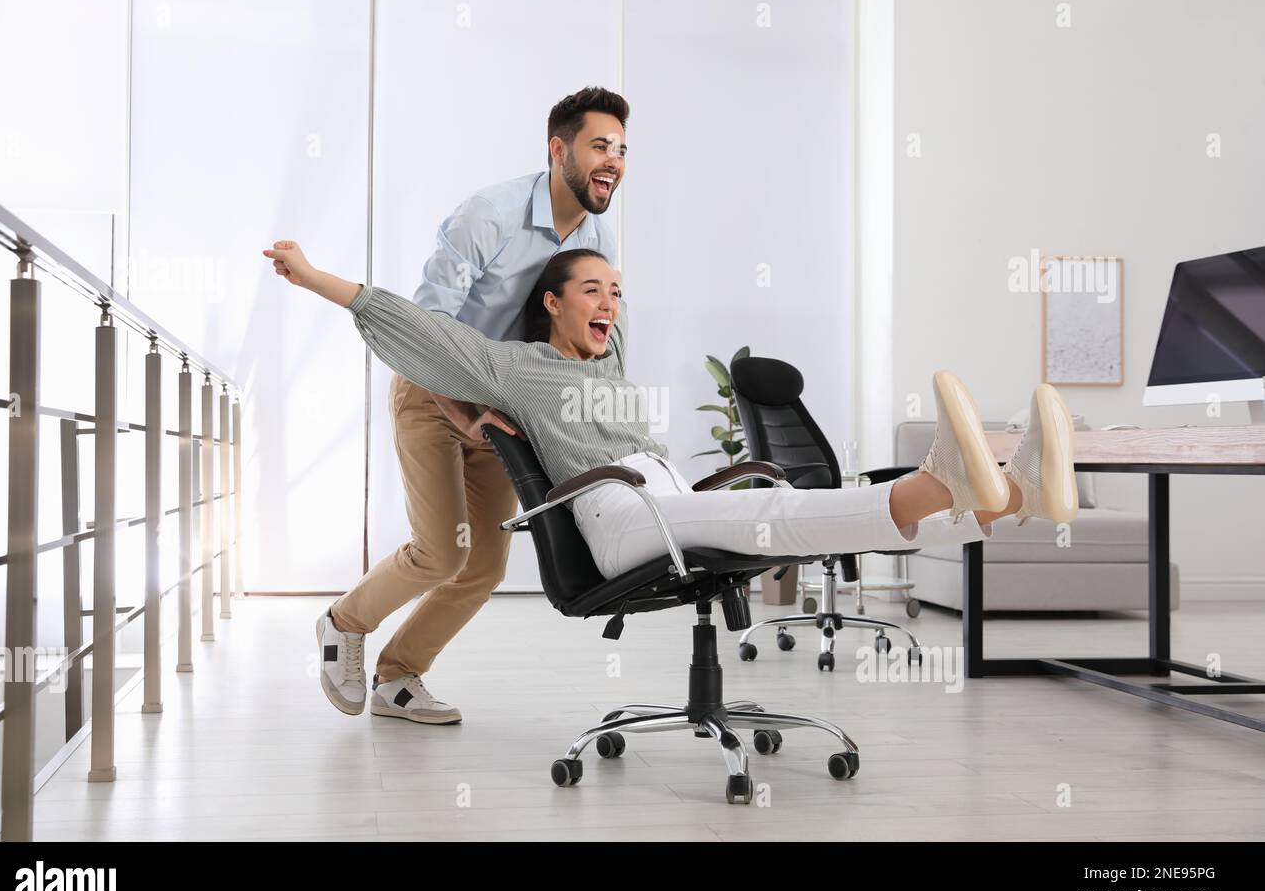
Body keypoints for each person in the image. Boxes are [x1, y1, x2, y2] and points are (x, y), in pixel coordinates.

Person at [263, 245, 1079, 626]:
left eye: (617, 291)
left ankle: (1010, 501)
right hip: (617, 520)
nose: (610, 303)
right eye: (591, 289)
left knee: (776, 507)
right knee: (775, 513)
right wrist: (316, 278)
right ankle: (942, 480)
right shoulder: (515, 369)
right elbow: (420, 331)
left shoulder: (610, 366)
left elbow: (605, 299)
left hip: (660, 497)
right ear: (550, 303)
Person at [293, 87, 628, 724]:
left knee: (484, 566)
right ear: (559, 150)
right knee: (443, 550)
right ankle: (343, 622)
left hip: (503, 405)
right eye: (598, 146)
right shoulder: (489, 214)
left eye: (620, 149)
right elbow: (425, 325)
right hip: (432, 389)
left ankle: (399, 677)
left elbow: (582, 327)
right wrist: (457, 410)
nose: (612, 160)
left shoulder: (597, 232)